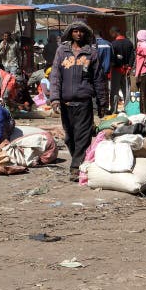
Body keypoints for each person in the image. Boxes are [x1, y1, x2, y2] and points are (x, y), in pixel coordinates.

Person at [49, 21, 108, 181]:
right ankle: (80, 160)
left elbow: (99, 79)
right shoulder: (62, 51)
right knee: (69, 137)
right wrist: (54, 98)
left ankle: (76, 168)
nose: (78, 34)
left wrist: (103, 103)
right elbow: (55, 76)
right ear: (71, 33)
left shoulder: (91, 53)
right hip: (65, 103)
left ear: (85, 34)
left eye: (81, 31)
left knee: (82, 136)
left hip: (84, 102)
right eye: (75, 31)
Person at [108, 26, 135, 114]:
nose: (111, 35)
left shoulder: (113, 44)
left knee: (114, 90)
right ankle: (127, 109)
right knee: (126, 90)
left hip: (116, 69)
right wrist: (130, 67)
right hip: (127, 69)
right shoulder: (129, 43)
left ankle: (113, 109)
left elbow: (112, 58)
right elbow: (132, 56)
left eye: (111, 33)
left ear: (115, 33)